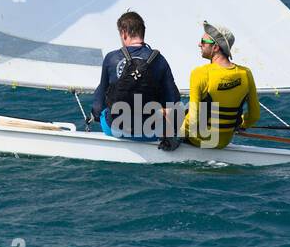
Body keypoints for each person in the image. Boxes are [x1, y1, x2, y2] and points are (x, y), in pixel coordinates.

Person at [91, 11, 180, 142]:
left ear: (124, 33)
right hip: (149, 131)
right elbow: (173, 99)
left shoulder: (111, 58)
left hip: (116, 128)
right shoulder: (160, 60)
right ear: (143, 33)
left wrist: (96, 115)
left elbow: (99, 101)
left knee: (104, 113)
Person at [180, 21, 260, 148]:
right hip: (224, 141)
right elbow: (255, 115)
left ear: (215, 47)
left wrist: (177, 136)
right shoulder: (246, 73)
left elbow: (193, 119)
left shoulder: (200, 73)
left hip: (199, 140)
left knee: (173, 110)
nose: (199, 44)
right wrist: (241, 125)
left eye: (203, 41)